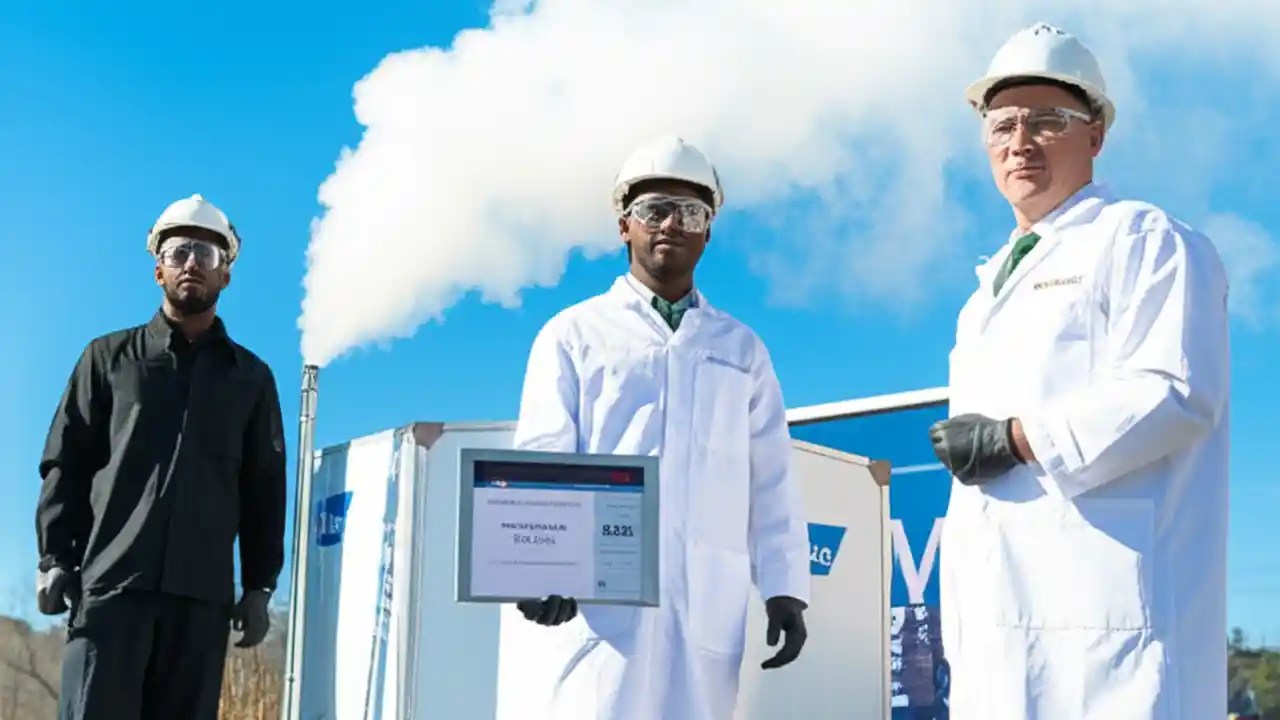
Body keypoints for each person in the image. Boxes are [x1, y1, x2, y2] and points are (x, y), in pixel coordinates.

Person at [928, 22, 1230, 719]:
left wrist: (1017, 438)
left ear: (1095, 134)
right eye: (1002, 125)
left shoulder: (1144, 239)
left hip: (1109, 641)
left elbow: (1176, 392)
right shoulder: (987, 288)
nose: (1020, 142)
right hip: (1003, 628)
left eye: (1047, 122)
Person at [495, 135, 811, 720]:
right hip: (599, 608)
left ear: (709, 231)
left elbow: (770, 477)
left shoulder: (740, 349)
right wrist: (540, 566)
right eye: (654, 210)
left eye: (692, 213)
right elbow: (543, 457)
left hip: (705, 607)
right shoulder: (574, 335)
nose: (672, 224)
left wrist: (785, 586)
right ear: (624, 226)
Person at [35, 193, 288, 719]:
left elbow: (264, 487)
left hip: (201, 602)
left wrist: (260, 584)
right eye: (179, 252)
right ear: (158, 271)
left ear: (226, 277)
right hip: (110, 590)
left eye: (207, 254)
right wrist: (56, 557)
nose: (192, 262)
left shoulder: (251, 379)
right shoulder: (107, 359)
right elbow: (66, 460)